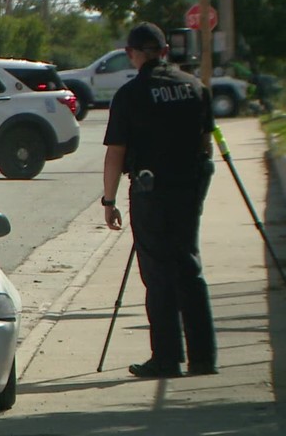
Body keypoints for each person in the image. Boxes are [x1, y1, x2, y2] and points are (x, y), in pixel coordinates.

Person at [102, 22, 219, 378]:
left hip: (151, 190)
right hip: (190, 187)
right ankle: (203, 357)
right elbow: (205, 142)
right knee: (188, 265)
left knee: (158, 272)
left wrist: (109, 201)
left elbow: (116, 152)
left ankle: (167, 358)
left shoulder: (131, 94)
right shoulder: (194, 87)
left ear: (132, 54)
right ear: (165, 51)